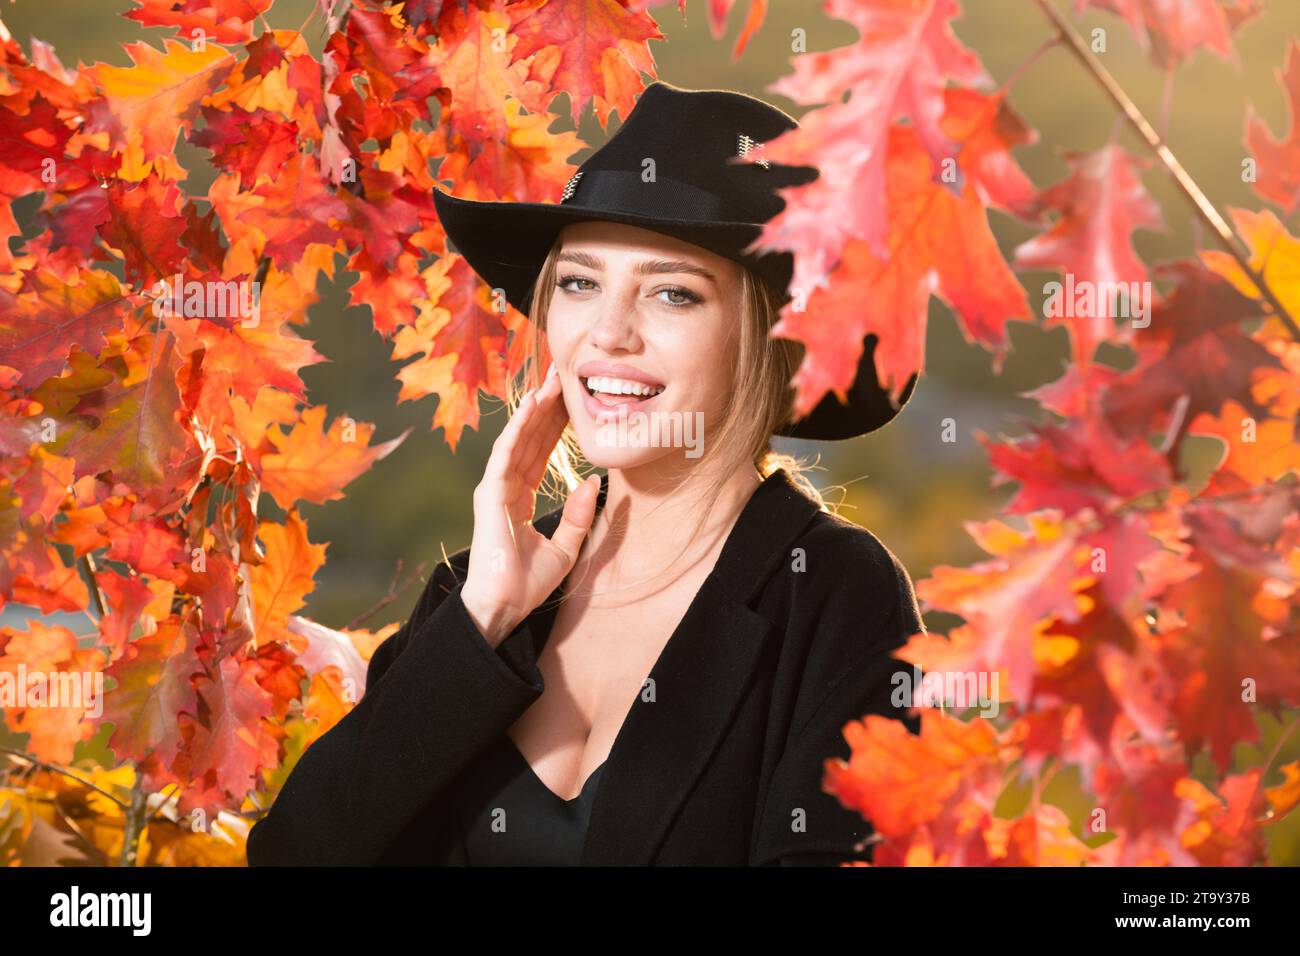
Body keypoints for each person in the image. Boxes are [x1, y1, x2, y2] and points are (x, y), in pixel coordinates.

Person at [246, 80, 923, 867]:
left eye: (673, 293)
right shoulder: (479, 595)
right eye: (579, 282)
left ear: (774, 336)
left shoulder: (837, 596)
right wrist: (483, 624)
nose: (608, 333)